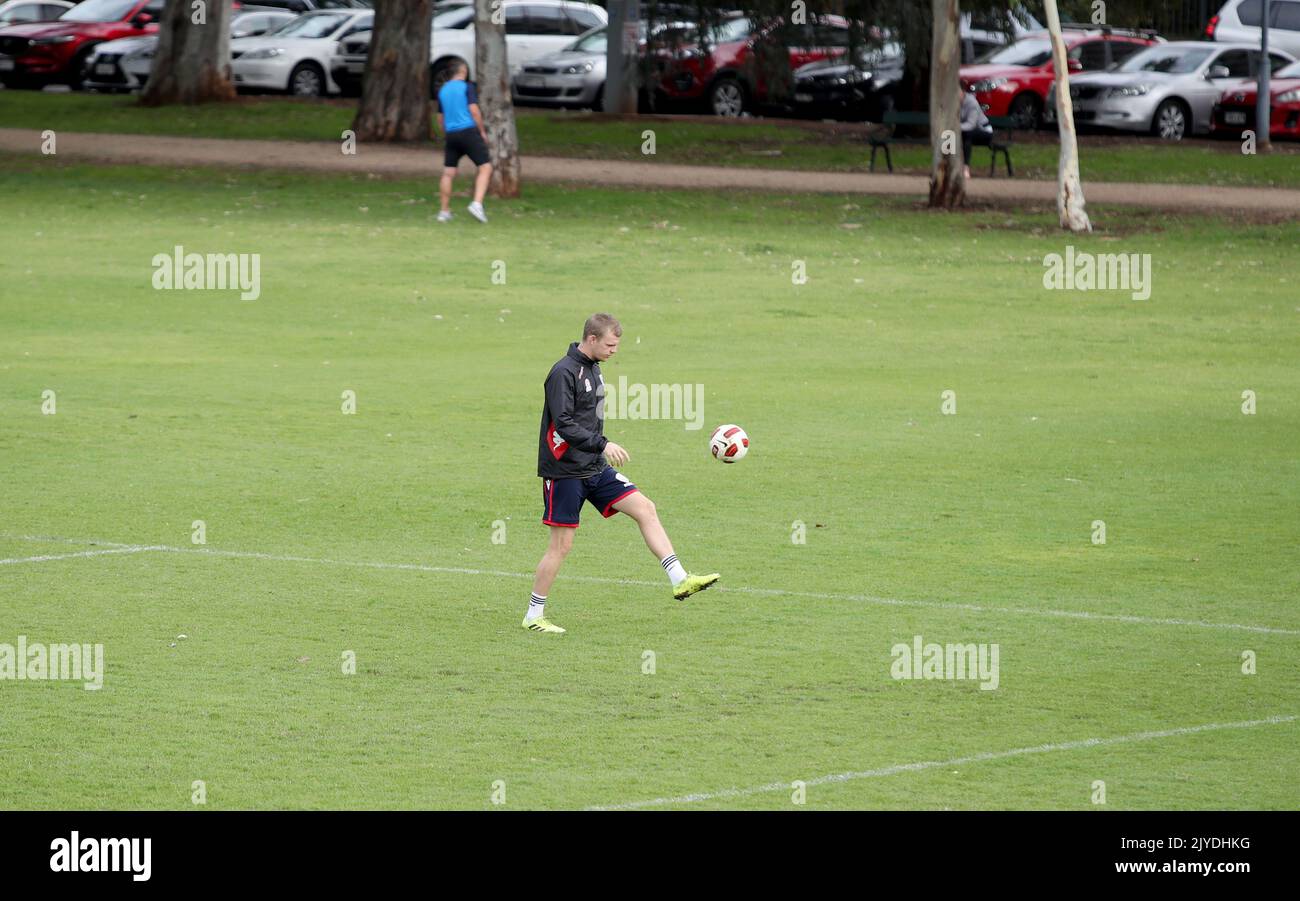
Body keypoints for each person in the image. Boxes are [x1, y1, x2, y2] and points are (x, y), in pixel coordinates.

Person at [525, 313, 720, 634]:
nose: (615, 350)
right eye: (610, 344)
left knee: (645, 507)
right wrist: (602, 444)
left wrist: (597, 449)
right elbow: (563, 423)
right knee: (561, 547)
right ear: (591, 339)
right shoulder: (562, 373)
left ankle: (679, 579)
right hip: (565, 471)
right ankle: (534, 615)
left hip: (593, 466)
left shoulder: (593, 368)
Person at [435, 62, 492, 224]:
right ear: (463, 72)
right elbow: (474, 110)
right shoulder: (467, 87)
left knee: (448, 173)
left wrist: (446, 133)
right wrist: (481, 131)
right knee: (485, 167)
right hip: (468, 131)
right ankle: (477, 204)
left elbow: (440, 118)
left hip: (451, 134)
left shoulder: (443, 90)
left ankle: (444, 211)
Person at [960, 84, 994, 181]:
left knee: (968, 134)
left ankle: (965, 168)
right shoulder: (954, 103)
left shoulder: (972, 103)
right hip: (965, 131)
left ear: (963, 92)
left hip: (985, 132)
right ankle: (948, 165)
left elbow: (971, 125)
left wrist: (954, 127)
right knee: (949, 135)